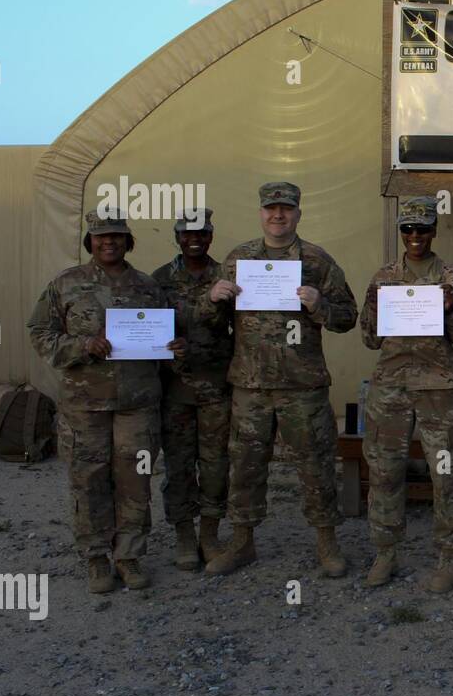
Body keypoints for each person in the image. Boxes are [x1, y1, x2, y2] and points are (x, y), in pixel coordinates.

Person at [200, 182, 357, 576]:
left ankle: (326, 542)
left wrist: (321, 306)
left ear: (298, 214)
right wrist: (212, 299)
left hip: (302, 385)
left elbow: (348, 316)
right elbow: (214, 324)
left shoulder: (317, 262)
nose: (278, 215)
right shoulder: (238, 260)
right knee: (246, 465)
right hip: (251, 386)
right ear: (261, 213)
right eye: (271, 209)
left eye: (286, 209)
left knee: (316, 464)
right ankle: (242, 542)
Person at [27, 208, 184, 593]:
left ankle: (129, 557)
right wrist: (82, 345)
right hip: (85, 405)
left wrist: (173, 347)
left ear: (128, 241)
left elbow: (165, 336)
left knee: (135, 480)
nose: (109, 241)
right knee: (89, 480)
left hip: (137, 402)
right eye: (101, 236)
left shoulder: (148, 287)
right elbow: (40, 331)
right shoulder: (66, 284)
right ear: (90, 242)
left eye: (116, 235)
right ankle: (96, 557)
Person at [358, 196, 453, 593]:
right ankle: (386, 552)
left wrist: (450, 310)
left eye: (422, 228)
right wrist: (378, 310)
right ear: (401, 233)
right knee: (384, 472)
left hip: (438, 390)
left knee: (445, 474)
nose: (415, 236)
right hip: (390, 389)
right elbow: (369, 339)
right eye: (407, 229)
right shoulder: (383, 278)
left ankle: (448, 557)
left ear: (434, 230)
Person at [151, 207, 233, 570]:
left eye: (201, 233)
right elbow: (147, 330)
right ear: (177, 237)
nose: (194, 239)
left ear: (211, 236)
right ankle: (184, 533)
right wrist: (164, 350)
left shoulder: (226, 276)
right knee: (179, 464)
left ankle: (210, 534)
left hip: (217, 385)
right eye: (187, 233)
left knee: (216, 464)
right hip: (175, 389)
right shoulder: (157, 280)